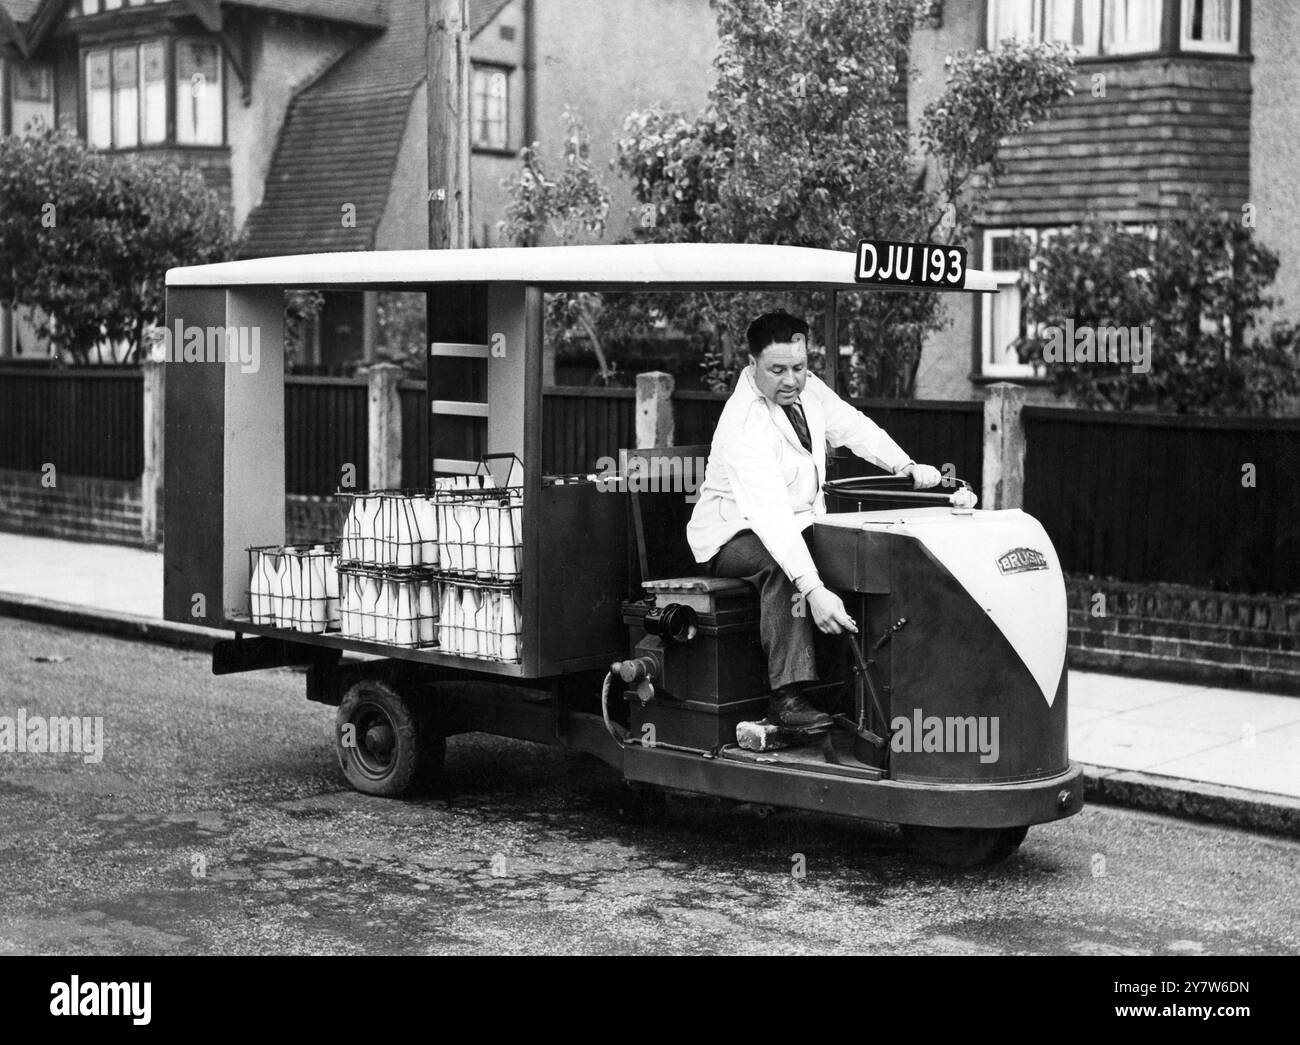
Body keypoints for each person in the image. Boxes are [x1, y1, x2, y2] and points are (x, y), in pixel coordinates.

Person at [686, 310, 974, 732]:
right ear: (752, 366)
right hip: (732, 535)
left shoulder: (809, 392)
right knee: (782, 567)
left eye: (799, 368)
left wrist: (905, 464)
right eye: (777, 370)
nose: (790, 380)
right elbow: (772, 521)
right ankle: (785, 699)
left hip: (798, 523)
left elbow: (855, 428)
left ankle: (843, 691)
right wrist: (814, 590)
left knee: (851, 553)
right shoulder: (744, 424)